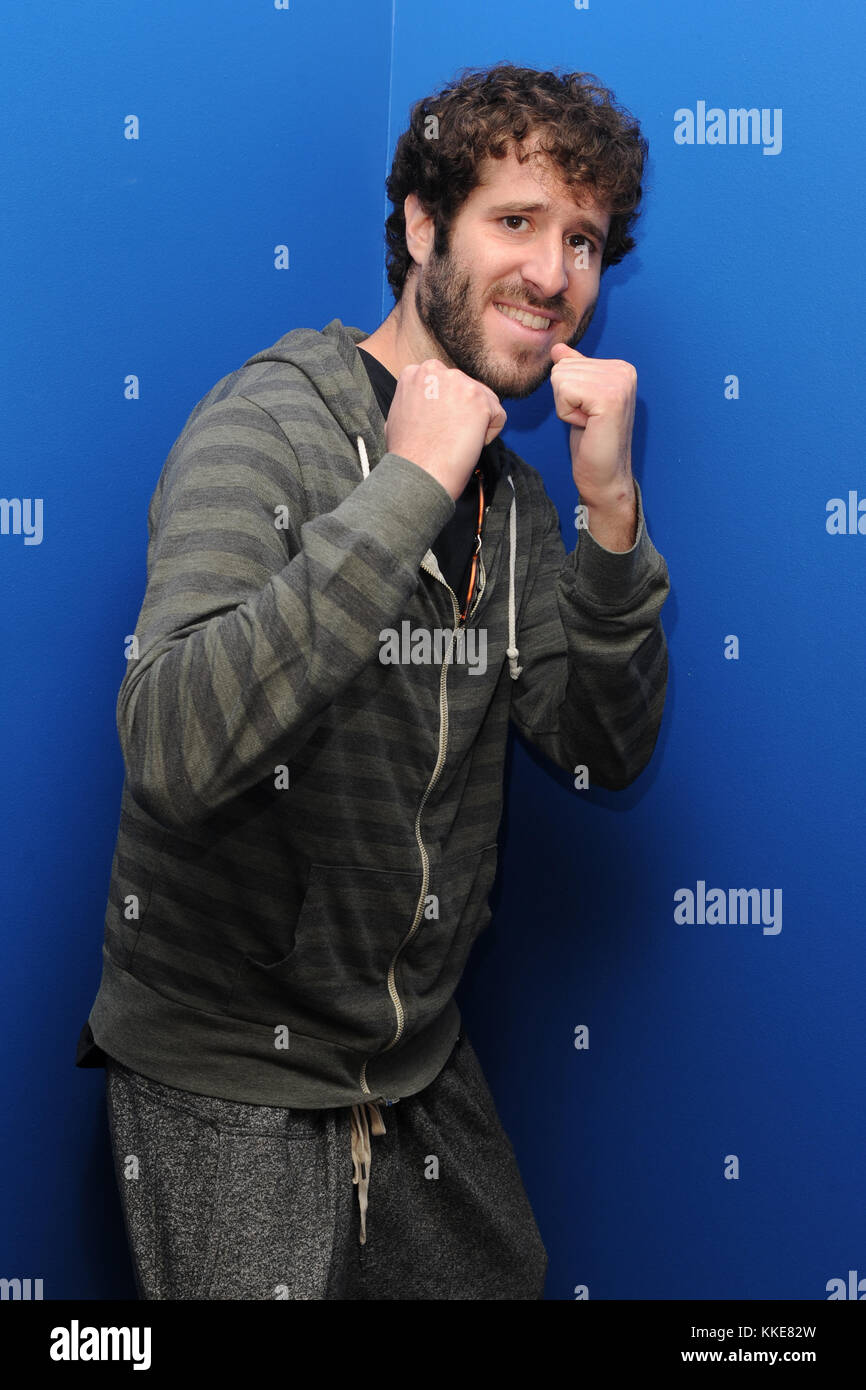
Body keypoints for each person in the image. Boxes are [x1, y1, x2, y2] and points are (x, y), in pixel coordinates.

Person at [76, 62, 671, 1300]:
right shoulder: (267, 423)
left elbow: (596, 749)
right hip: (232, 1077)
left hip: (412, 1064)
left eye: (583, 240)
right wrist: (406, 487)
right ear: (417, 227)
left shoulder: (513, 499)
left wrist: (608, 515)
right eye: (515, 222)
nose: (554, 276)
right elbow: (174, 743)